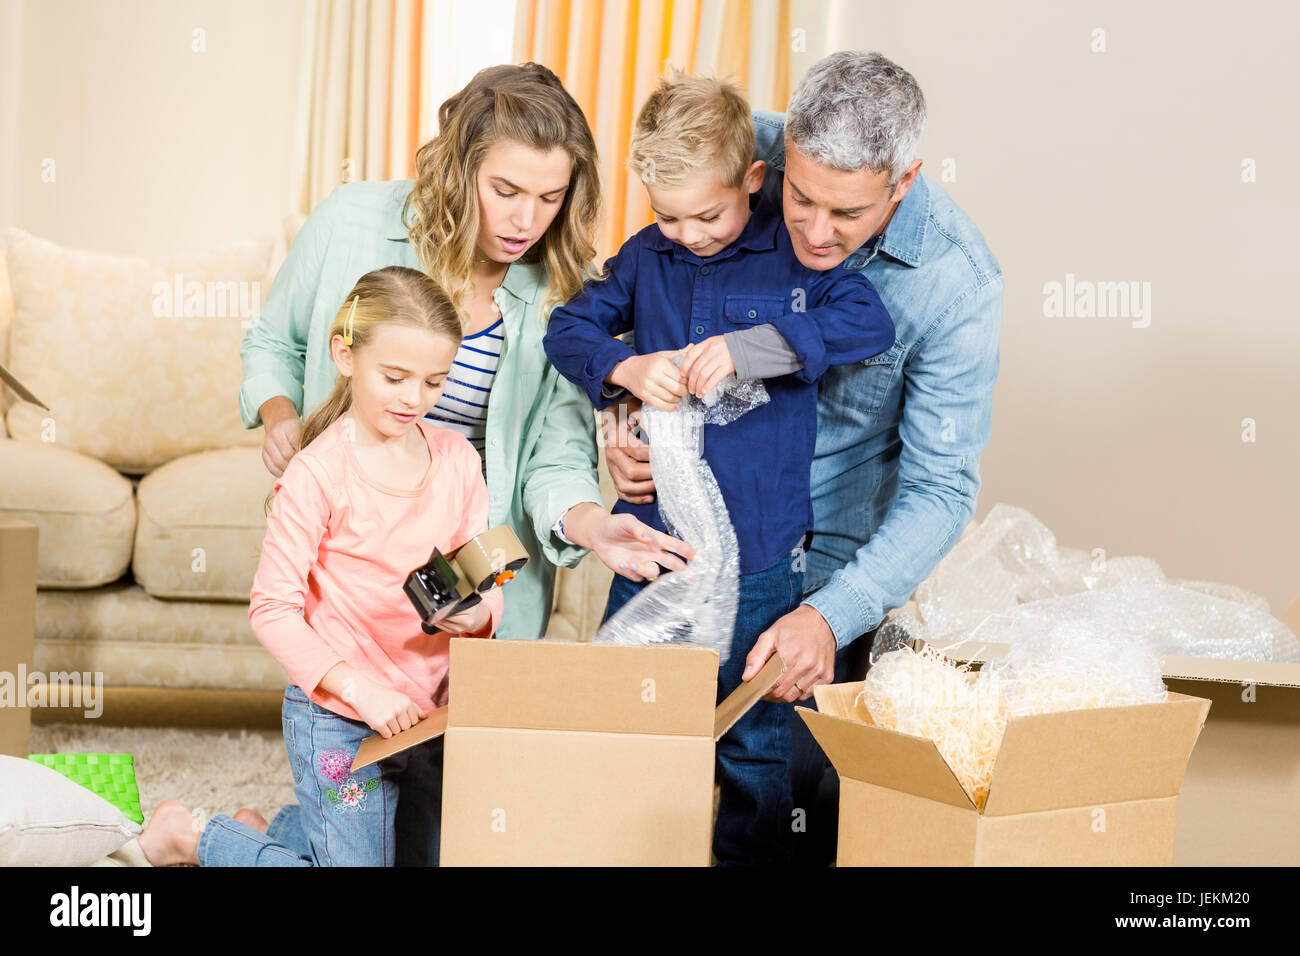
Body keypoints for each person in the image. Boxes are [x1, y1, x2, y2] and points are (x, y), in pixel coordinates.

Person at [602, 51, 1003, 864]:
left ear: (904, 179)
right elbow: (635, 298)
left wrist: (829, 615)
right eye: (800, 199)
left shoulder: (957, 284)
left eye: (847, 213)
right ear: (776, 161)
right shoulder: (733, 152)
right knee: (626, 778)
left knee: (782, 815)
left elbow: (941, 490)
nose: (816, 233)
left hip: (812, 578)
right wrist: (618, 417)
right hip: (678, 542)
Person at [542, 72, 894, 865]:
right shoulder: (646, 257)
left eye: (708, 215)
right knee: (630, 725)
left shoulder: (796, 258)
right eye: (667, 215)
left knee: (754, 746)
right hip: (656, 548)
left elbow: (867, 321)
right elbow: (568, 328)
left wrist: (753, 349)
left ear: (753, 180)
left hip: (762, 560)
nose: (689, 234)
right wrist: (625, 369)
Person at [238, 62, 694, 643]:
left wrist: (595, 526)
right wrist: (280, 415)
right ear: (459, 169)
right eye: (505, 191)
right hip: (349, 553)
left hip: (477, 569)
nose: (525, 220)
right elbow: (274, 340)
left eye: (550, 197)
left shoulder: (567, 293)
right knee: (341, 687)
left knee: (464, 700)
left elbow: (556, 458)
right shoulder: (349, 222)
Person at [141, 268, 503, 866]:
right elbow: (272, 611)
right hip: (338, 720)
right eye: (394, 377)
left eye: (434, 381)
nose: (414, 398)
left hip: (429, 716)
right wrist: (362, 692)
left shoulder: (459, 460)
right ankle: (191, 835)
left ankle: (281, 833)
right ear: (345, 355)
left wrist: (479, 616)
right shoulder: (317, 473)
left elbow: (481, 577)